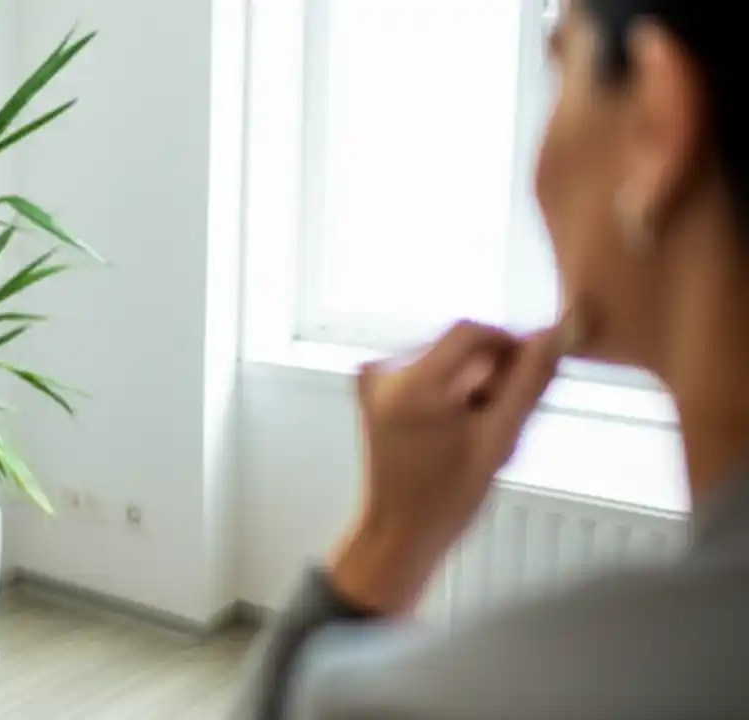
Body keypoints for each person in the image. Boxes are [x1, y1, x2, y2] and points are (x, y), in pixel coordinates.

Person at [234, 0, 749, 718]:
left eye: (558, 65)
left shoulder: (441, 698)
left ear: (656, 130)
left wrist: (389, 537)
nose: (536, 173)